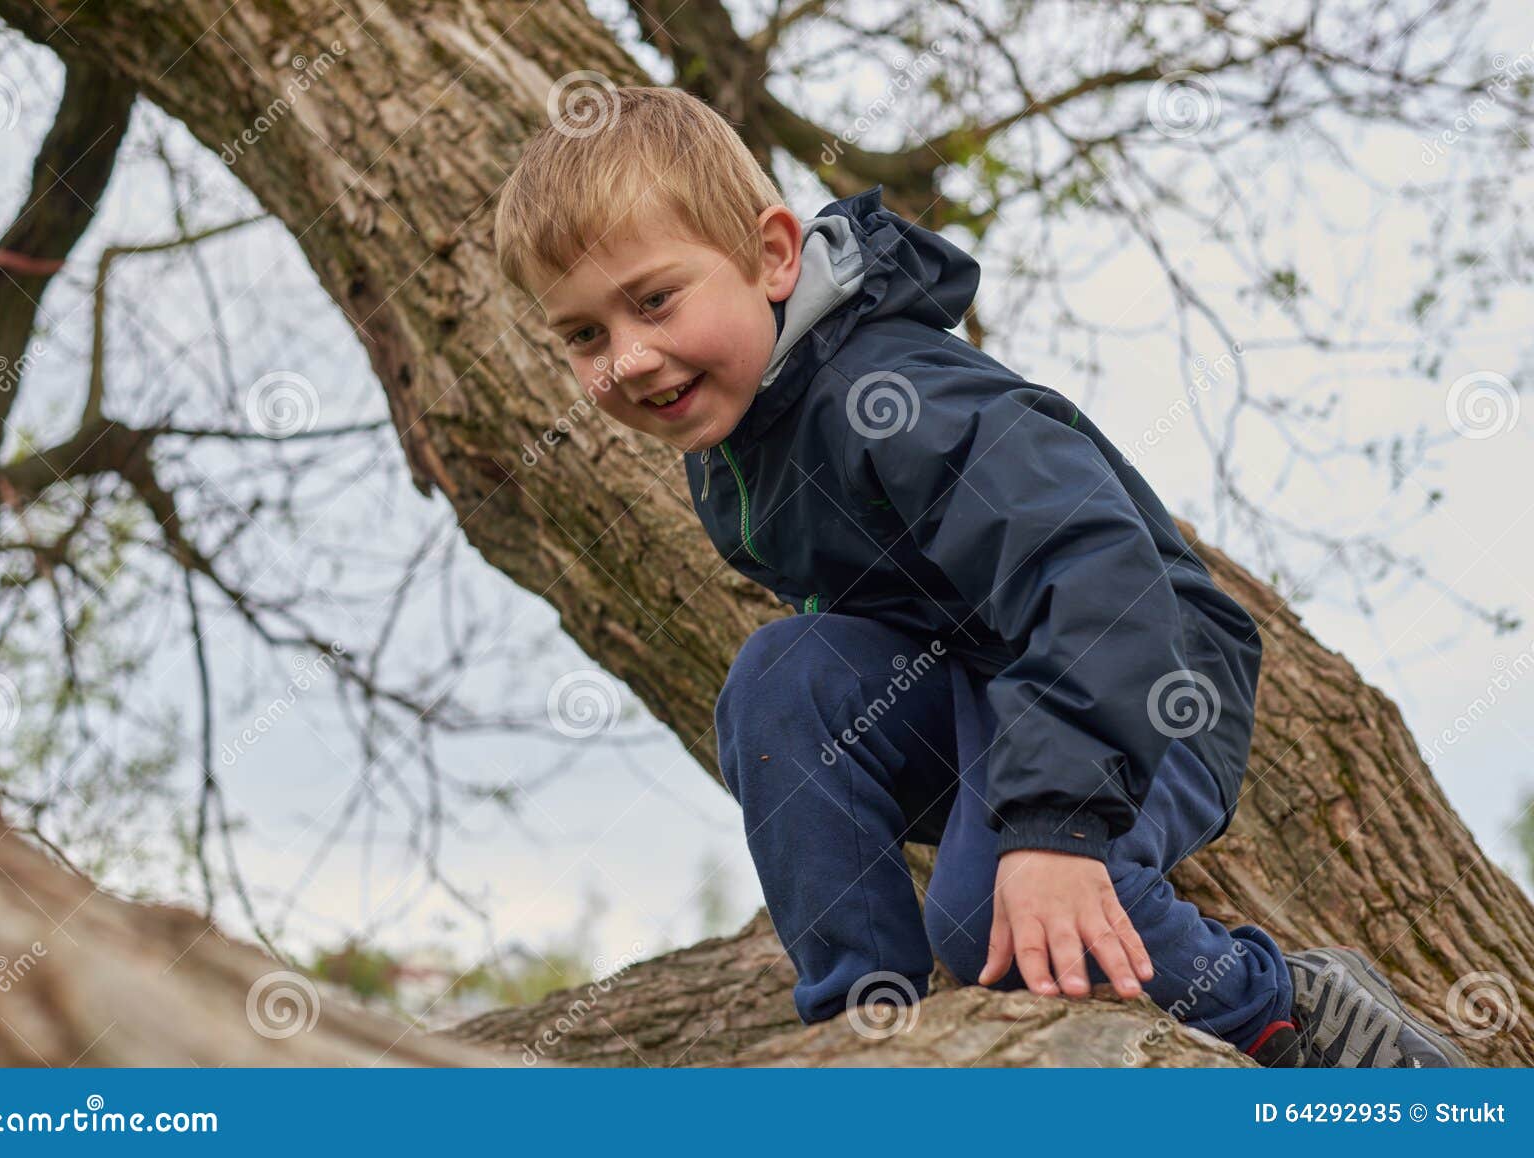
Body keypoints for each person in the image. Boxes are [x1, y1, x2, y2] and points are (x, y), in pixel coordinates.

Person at [492, 84, 1469, 1069]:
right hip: (977, 687)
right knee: (778, 675)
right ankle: (863, 1033)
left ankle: (1291, 1013)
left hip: (1145, 666)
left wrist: (1052, 827)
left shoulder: (895, 394)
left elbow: (1091, 568)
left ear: (774, 255)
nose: (627, 358)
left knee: (1001, 928)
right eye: (583, 336)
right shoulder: (738, 449)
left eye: (653, 300)